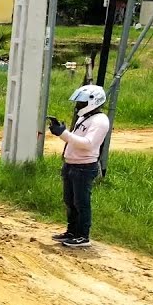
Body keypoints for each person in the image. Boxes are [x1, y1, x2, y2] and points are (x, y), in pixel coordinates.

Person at [47, 84, 110, 248]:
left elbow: (88, 144)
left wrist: (64, 134)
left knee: (81, 202)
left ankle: (82, 236)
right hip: (71, 164)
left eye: (81, 102)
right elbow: (75, 139)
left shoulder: (100, 121)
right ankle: (72, 231)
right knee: (69, 200)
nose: (78, 106)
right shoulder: (85, 117)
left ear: (94, 101)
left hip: (84, 167)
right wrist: (61, 132)